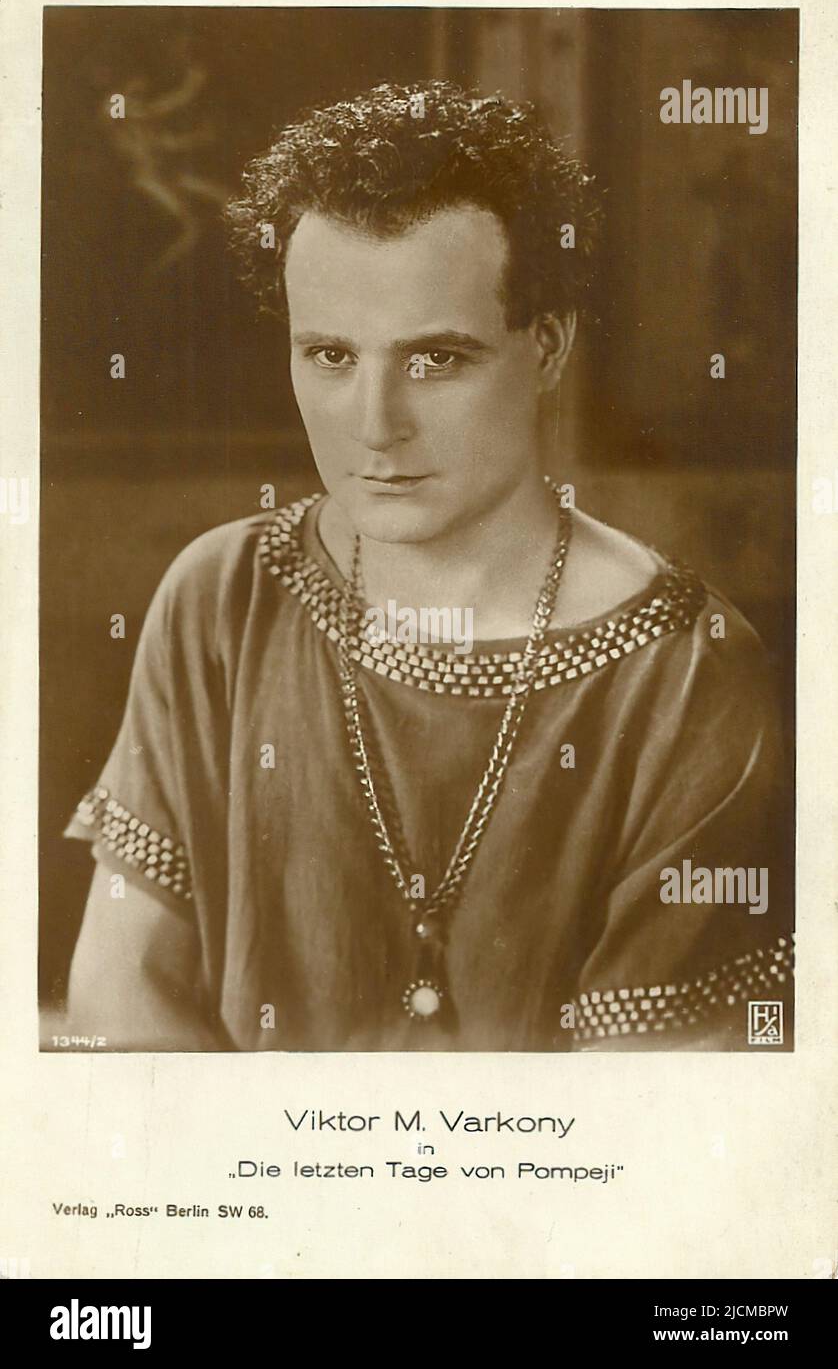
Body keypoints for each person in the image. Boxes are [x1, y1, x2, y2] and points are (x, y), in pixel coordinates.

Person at [59, 80, 793, 1053]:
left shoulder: (686, 669)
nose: (374, 424)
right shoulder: (221, 599)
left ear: (546, 347)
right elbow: (125, 1006)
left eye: (434, 359)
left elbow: (650, 1120)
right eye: (328, 354)